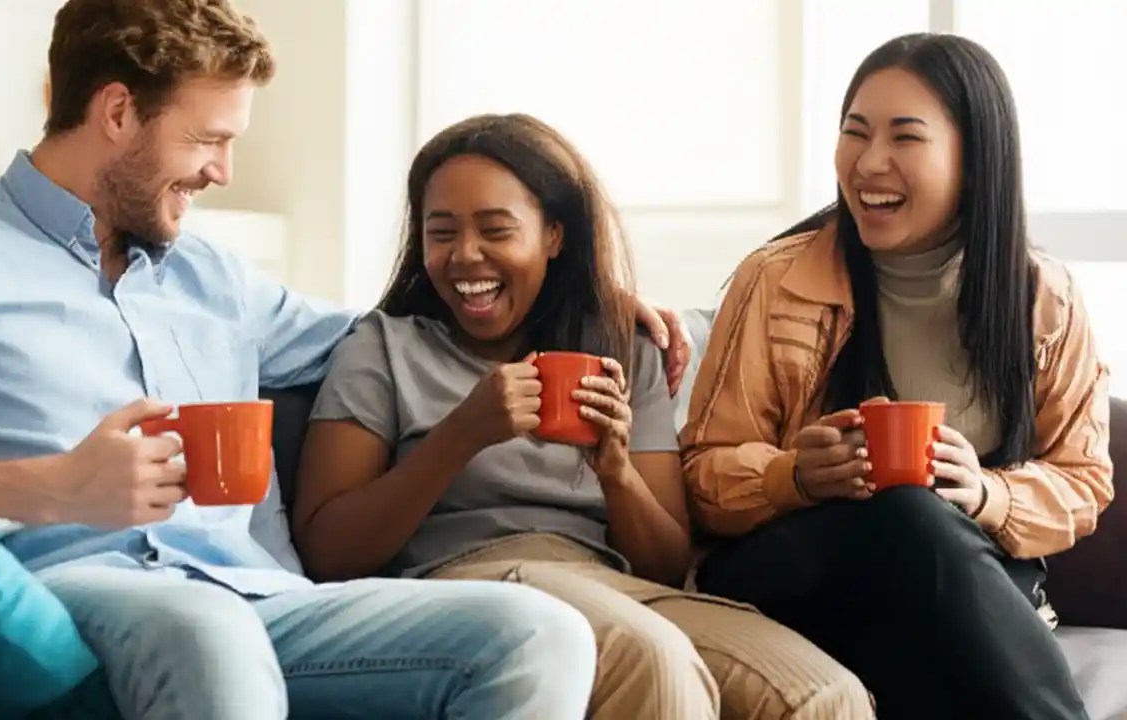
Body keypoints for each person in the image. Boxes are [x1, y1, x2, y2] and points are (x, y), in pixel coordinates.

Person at [0, 1, 688, 717]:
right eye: (208, 139)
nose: (222, 170)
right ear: (115, 114)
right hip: (73, 586)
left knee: (535, 632)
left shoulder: (214, 278)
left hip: (263, 597)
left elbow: (401, 328)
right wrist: (57, 486)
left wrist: (584, 301)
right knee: (204, 630)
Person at [293, 113, 874, 720]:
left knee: (822, 697)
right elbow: (330, 552)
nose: (465, 256)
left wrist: (616, 470)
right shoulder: (382, 348)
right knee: (652, 660)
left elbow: (665, 565)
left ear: (554, 237)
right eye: (442, 234)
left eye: (496, 230)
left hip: (613, 583)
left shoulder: (623, 348)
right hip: (466, 585)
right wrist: (462, 434)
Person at [682, 32, 1112, 720]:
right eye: (855, 132)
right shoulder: (777, 280)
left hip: (937, 588)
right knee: (907, 508)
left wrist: (985, 493)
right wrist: (792, 477)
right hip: (793, 571)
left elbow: (1084, 481)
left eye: (904, 138)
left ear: (974, 161)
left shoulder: (1042, 296)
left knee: (917, 657)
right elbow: (701, 475)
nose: (868, 162)